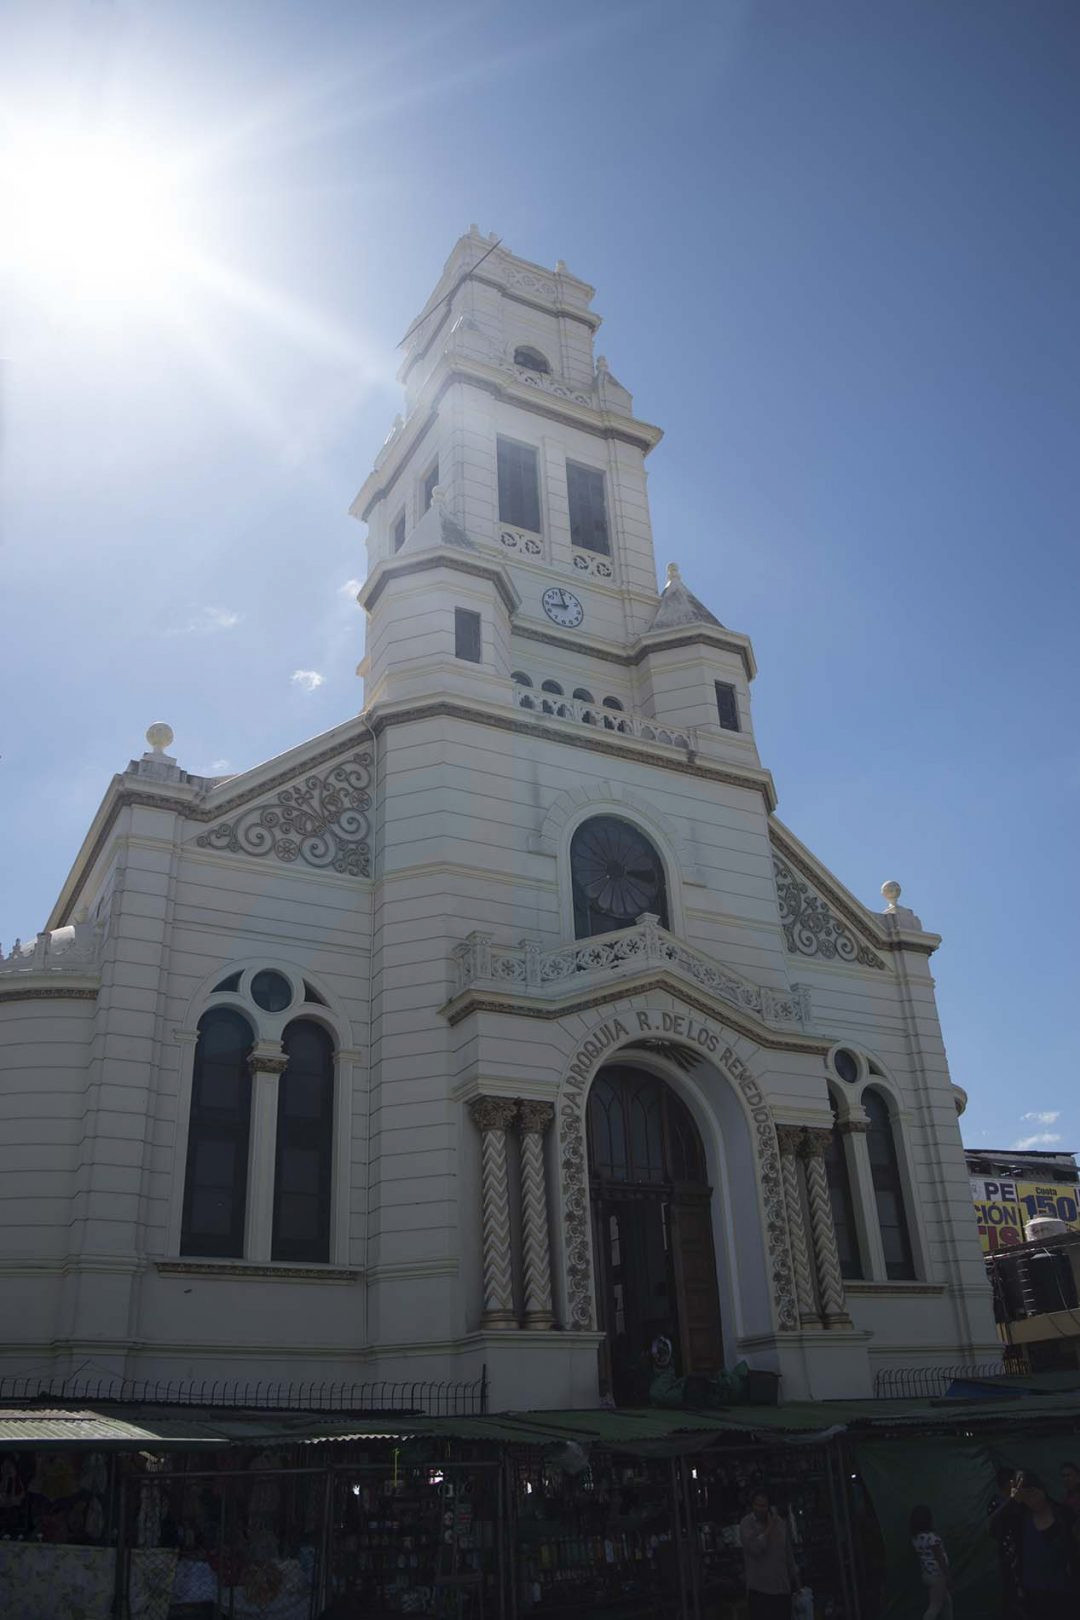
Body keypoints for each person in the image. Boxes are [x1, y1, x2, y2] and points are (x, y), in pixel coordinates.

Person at [993, 1471, 1078, 1607]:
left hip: (1065, 1589)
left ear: (1041, 1489)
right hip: (1034, 1592)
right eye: (1026, 1495)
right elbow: (995, 1526)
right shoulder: (1020, 1520)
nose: (1032, 1499)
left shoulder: (1063, 1514)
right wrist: (1013, 1500)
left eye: (1033, 1492)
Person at [739, 1488, 799, 1620]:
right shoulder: (747, 1524)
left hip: (781, 1588)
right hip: (760, 1590)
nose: (760, 1509)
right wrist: (769, 1528)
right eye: (757, 1505)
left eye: (764, 1506)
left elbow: (787, 1553)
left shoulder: (780, 1524)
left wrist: (795, 1578)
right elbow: (755, 1548)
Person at [988, 1467, 1022, 1620]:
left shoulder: (1019, 1501)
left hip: (1021, 1547)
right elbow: (992, 1524)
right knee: (1010, 1584)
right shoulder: (997, 1502)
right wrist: (1009, 1500)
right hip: (1007, 1549)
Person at [910, 1505, 951, 1620]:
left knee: (946, 1603)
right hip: (937, 1576)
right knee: (935, 1607)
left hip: (927, 1575)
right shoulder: (932, 1538)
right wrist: (947, 1575)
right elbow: (940, 1558)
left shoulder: (916, 1538)